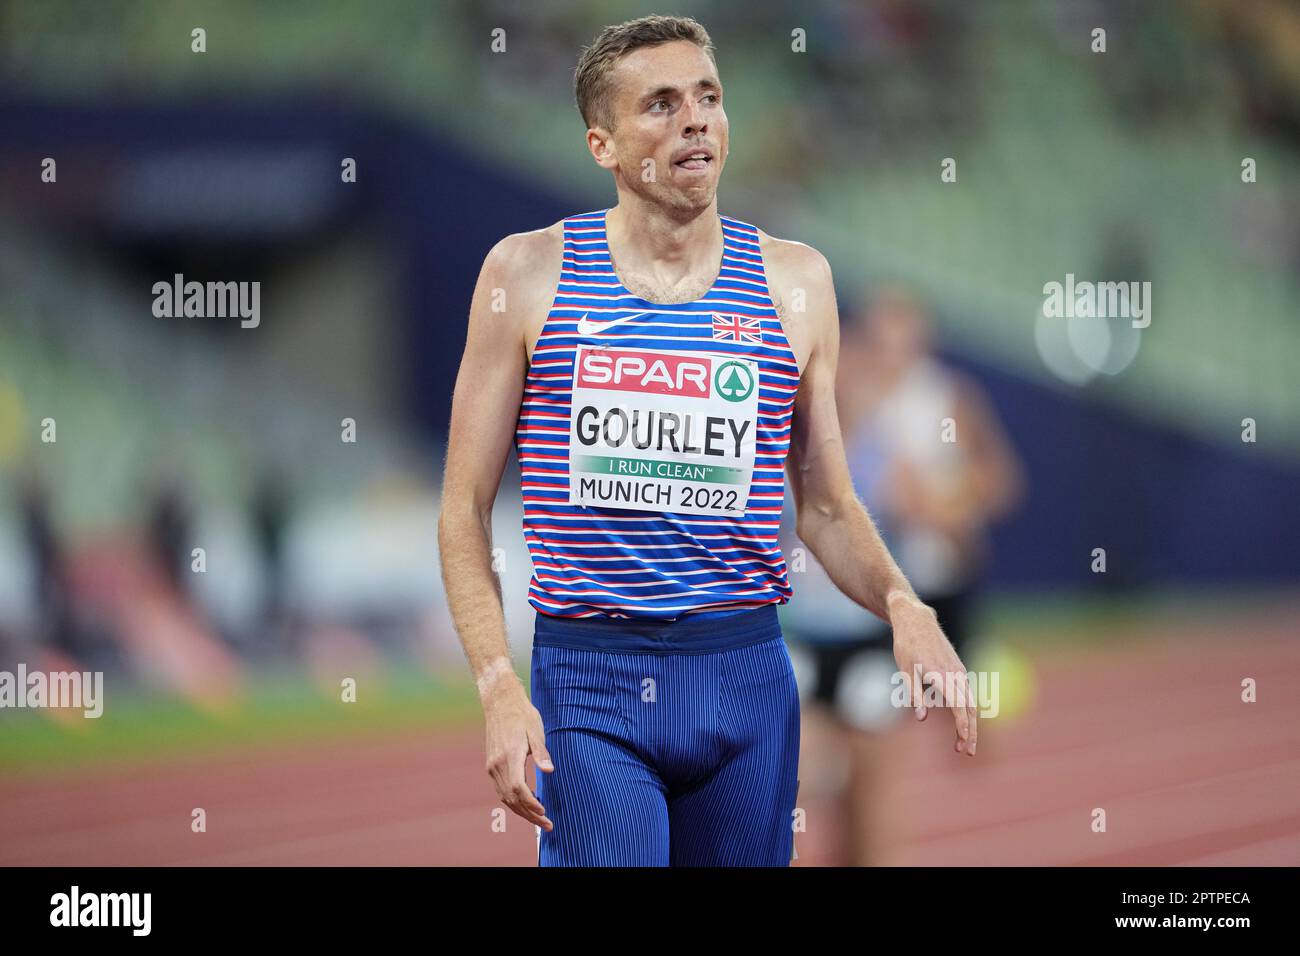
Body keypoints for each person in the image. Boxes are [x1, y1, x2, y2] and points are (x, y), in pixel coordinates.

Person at [438, 15, 977, 868]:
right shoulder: (526, 275)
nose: (695, 120)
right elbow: (463, 508)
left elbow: (827, 503)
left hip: (747, 680)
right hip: (593, 685)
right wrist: (498, 682)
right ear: (603, 145)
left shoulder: (797, 283)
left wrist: (906, 607)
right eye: (660, 103)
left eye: (709, 97)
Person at [785, 287, 1025, 865]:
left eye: (904, 344)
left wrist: (941, 509)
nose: (888, 359)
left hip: (887, 614)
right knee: (788, 779)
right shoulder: (809, 397)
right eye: (879, 343)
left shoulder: (943, 400)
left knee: (872, 798)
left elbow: (997, 486)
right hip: (796, 628)